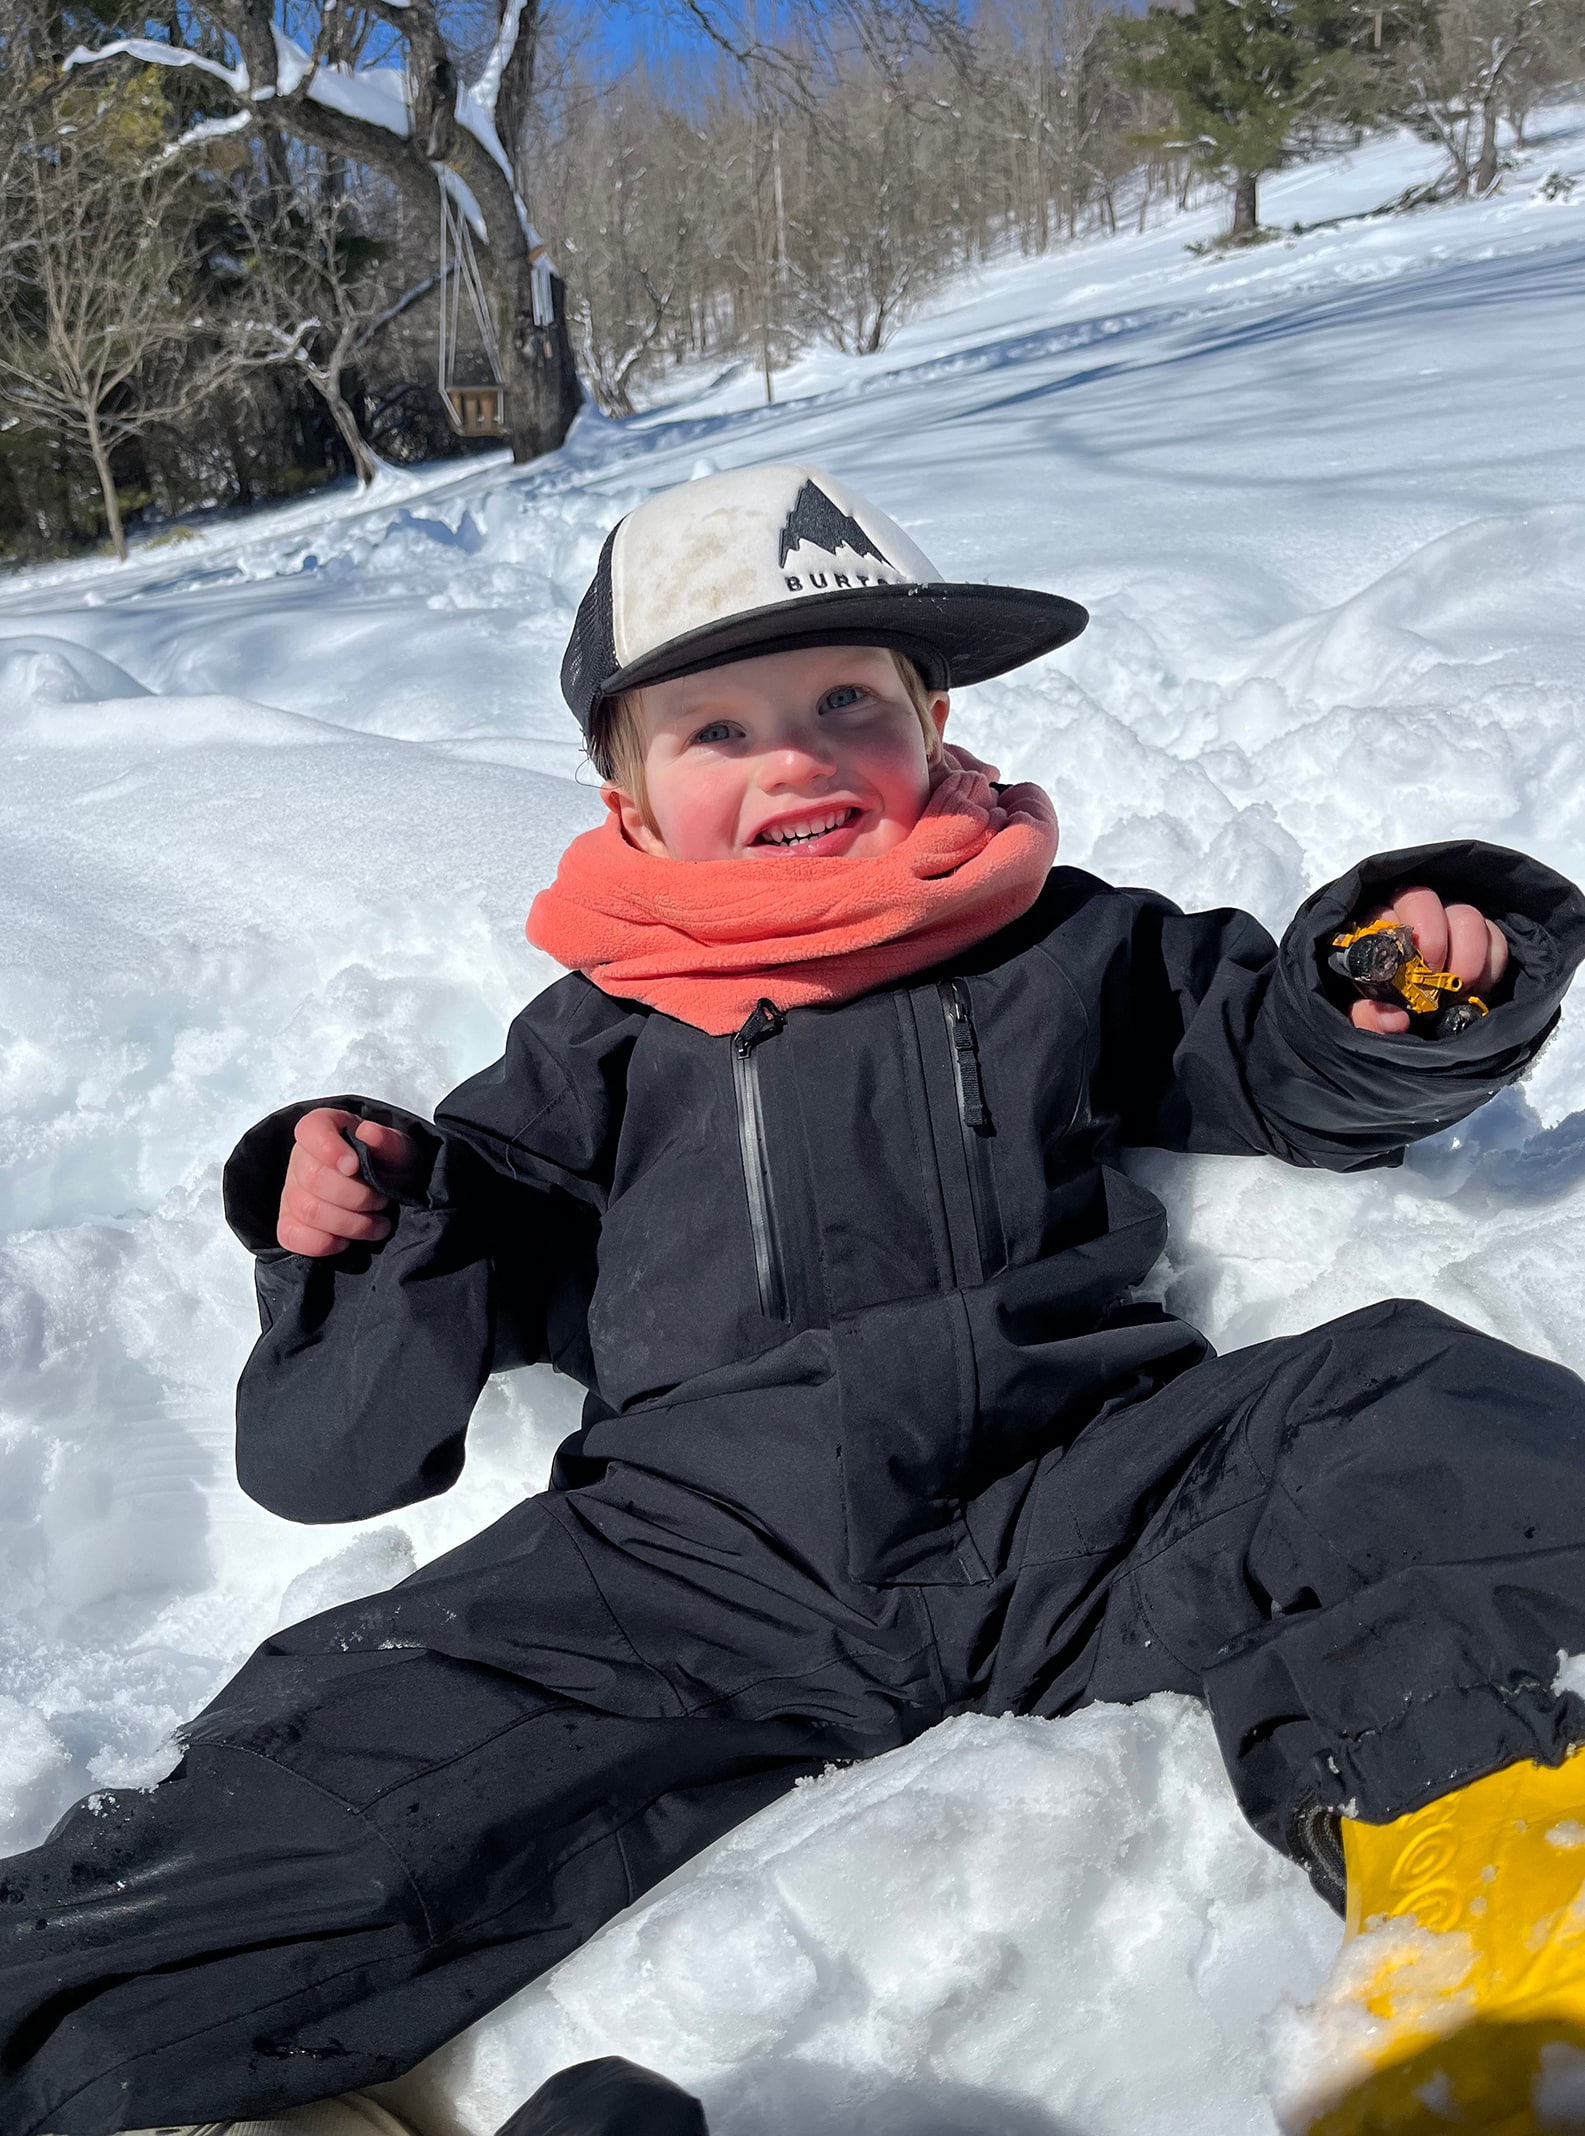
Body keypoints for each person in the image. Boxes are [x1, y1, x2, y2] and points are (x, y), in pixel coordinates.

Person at [4, 463, 1585, 2136]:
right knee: (332, 1773)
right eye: (716, 730)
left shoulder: (1064, 941)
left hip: (1085, 1494)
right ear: (626, 799)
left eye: (847, 703)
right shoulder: (592, 1041)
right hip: (690, 1565)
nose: (797, 758)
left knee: (1402, 1426)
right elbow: (341, 1451)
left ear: (933, 721)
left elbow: (1270, 1065)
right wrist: (360, 1223)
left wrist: (1389, 999)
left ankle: (1505, 1974)